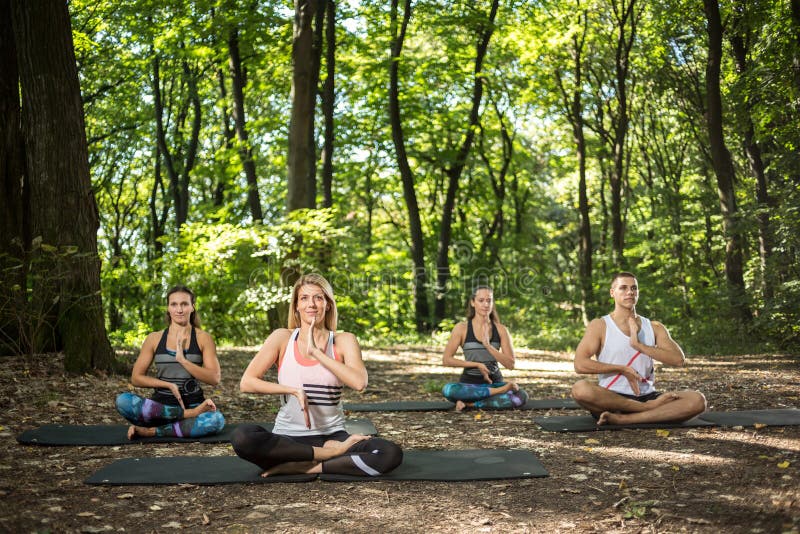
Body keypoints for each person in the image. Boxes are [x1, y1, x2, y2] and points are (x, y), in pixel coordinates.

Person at [231, 274, 403, 477]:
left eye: (318, 298)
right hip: (288, 441)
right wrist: (292, 390)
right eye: (304, 298)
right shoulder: (282, 338)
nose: (311, 304)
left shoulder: (344, 340)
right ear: (296, 305)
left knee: (390, 453)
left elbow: (359, 382)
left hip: (333, 437)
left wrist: (317, 353)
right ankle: (327, 456)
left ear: (328, 304)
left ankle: (305, 466)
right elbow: (247, 382)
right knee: (243, 437)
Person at [571, 272, 706, 425]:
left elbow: (678, 359)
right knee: (580, 389)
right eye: (623, 288)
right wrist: (622, 369)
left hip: (648, 396)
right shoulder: (600, 325)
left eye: (634, 288)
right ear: (612, 293)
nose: (630, 292)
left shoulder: (654, 327)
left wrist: (639, 345)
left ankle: (625, 419)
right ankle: (644, 409)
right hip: (612, 399)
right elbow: (579, 364)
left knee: (697, 400)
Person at [115, 285, 225, 439]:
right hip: (160, 409)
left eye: (184, 304)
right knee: (123, 401)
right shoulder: (154, 338)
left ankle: (153, 431)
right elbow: (136, 378)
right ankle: (185, 417)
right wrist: (167, 385)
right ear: (168, 308)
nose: (179, 309)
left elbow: (214, 378)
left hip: (194, 403)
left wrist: (183, 360)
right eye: (174, 304)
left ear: (193, 307)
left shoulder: (203, 338)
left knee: (216, 420)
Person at [441, 285, 528, 411]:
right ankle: (497, 393)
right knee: (448, 390)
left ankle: (470, 404)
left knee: (521, 396)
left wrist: (488, 346)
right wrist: (476, 364)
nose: (486, 304)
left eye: (489, 300)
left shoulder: (501, 330)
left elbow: (510, 364)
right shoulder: (462, 328)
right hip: (470, 386)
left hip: (495, 383)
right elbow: (446, 360)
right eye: (481, 300)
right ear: (472, 302)